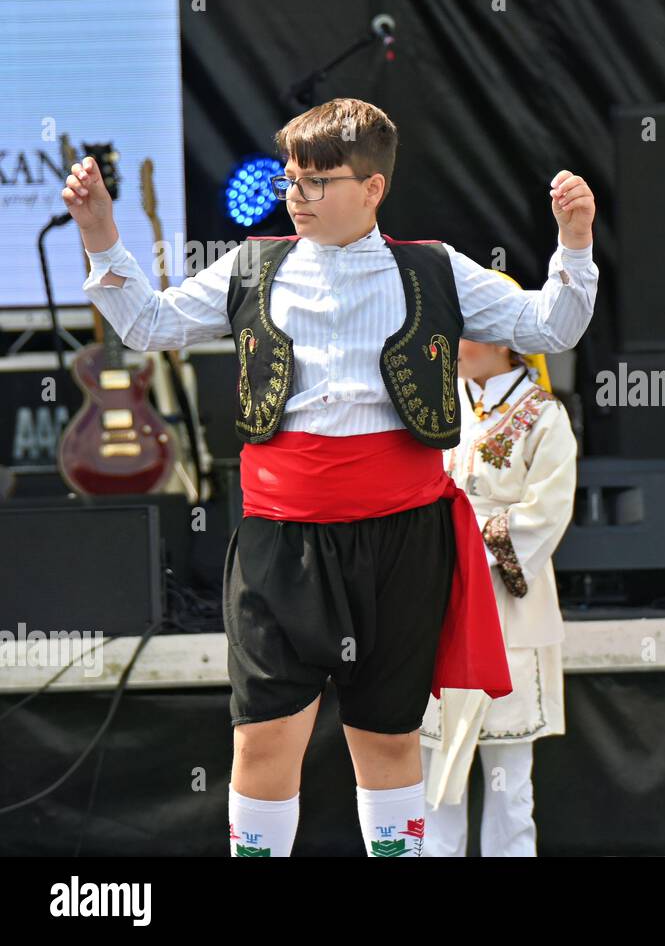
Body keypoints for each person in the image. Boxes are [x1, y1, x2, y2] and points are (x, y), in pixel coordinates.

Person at [66, 97, 598, 857]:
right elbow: (147, 324)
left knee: (388, 740)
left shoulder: (434, 268)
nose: (298, 194)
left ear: (373, 187)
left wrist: (573, 244)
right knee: (263, 742)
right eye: (292, 178)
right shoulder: (253, 267)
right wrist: (100, 234)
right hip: (282, 544)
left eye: (319, 180)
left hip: (401, 541)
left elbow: (551, 327)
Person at [417, 307, 577, 856]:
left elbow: (549, 508)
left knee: (509, 775)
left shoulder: (543, 416)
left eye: (468, 329)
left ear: (507, 340)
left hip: (508, 601)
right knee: (432, 762)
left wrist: (471, 541)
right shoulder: (434, 407)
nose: (454, 341)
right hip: (437, 595)